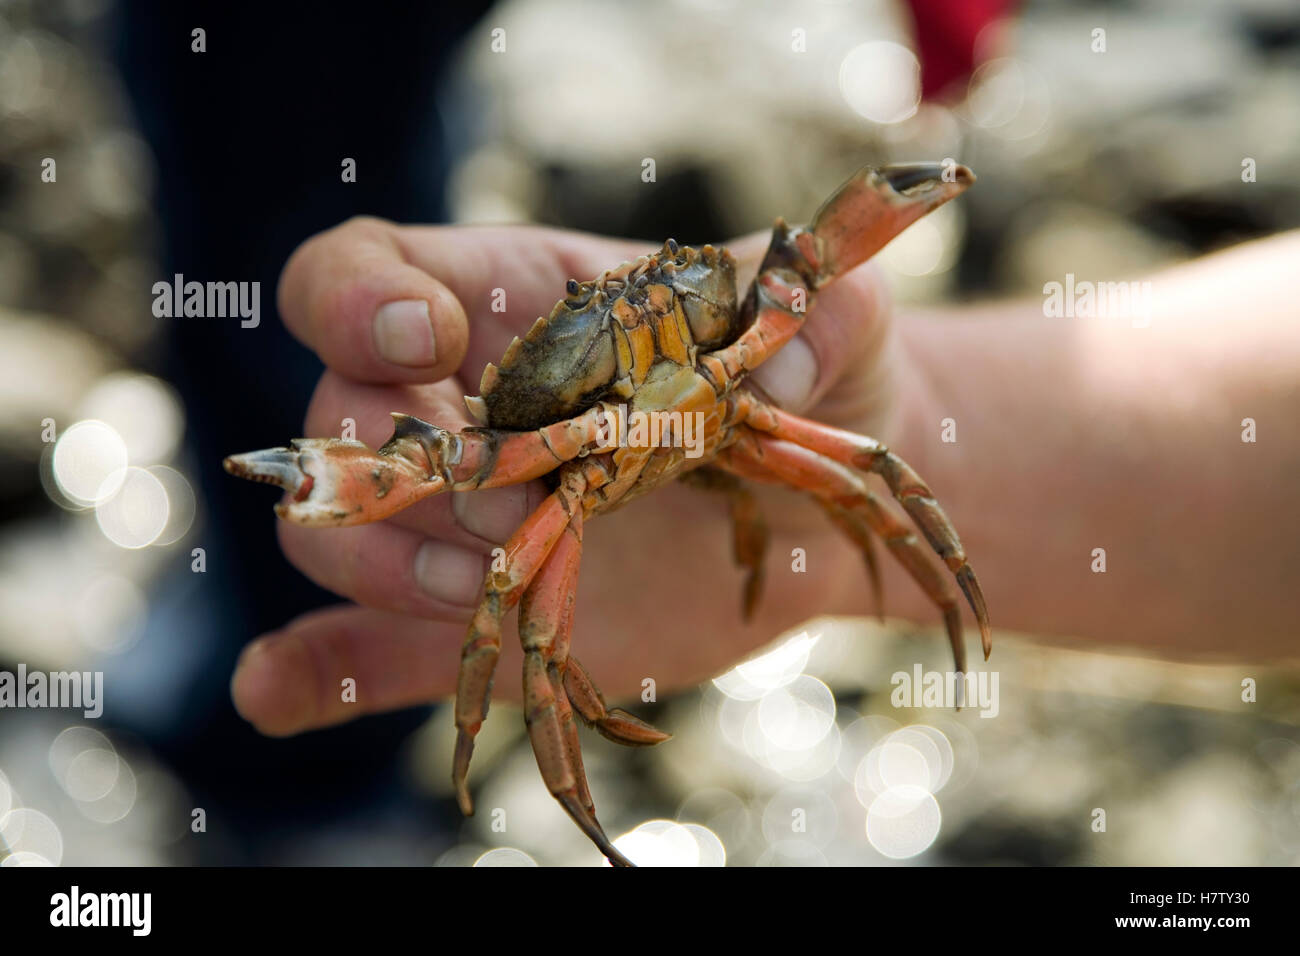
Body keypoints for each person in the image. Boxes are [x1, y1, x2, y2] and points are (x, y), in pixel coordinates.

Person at [229, 217, 1300, 737]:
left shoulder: (749, 335)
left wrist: (913, 408)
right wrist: (919, 399)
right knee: (522, 620)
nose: (640, 317)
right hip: (567, 472)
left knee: (874, 471)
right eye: (598, 321)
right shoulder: (519, 450)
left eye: (663, 289)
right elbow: (457, 455)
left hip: (732, 426)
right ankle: (516, 762)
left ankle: (945, 590)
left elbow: (824, 317)